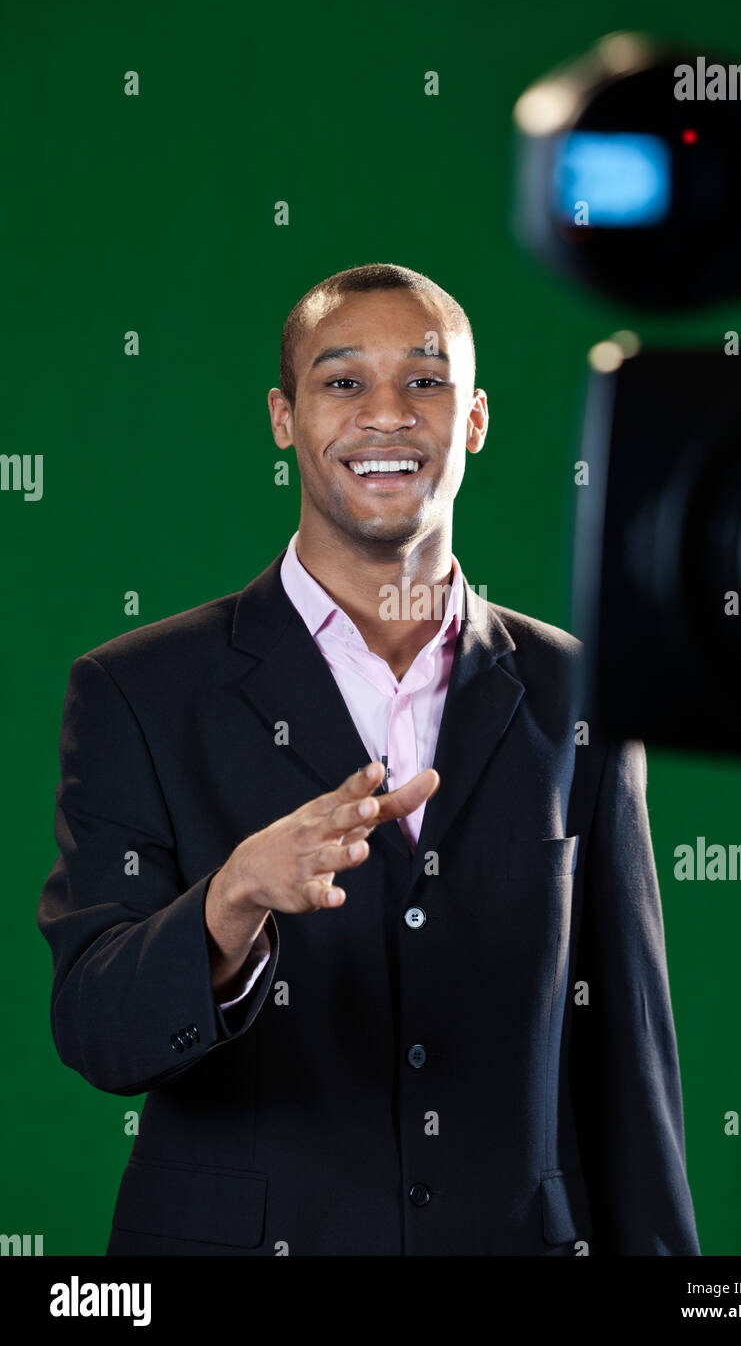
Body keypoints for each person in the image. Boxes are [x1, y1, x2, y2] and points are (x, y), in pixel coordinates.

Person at [37, 262, 700, 1256]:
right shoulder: (136, 690)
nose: (386, 415)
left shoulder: (582, 695)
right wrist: (230, 902)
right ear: (283, 417)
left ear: (472, 419)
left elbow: (629, 1072)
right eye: (342, 381)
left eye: (424, 381)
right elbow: (95, 1025)